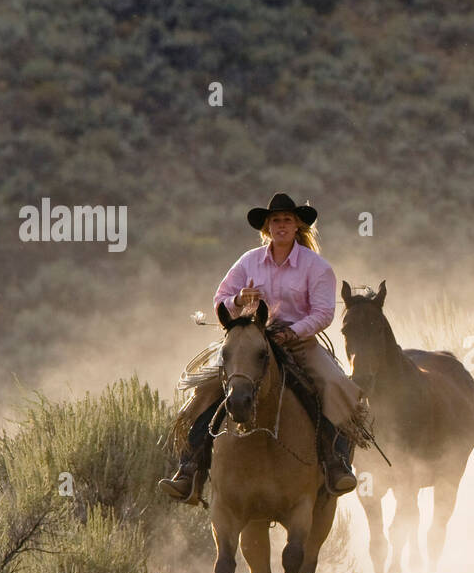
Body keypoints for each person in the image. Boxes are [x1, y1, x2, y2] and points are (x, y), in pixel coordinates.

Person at [158, 193, 370, 503]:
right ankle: (189, 468)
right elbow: (220, 301)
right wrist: (239, 301)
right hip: (251, 340)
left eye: (286, 219)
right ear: (267, 227)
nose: (281, 225)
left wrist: (292, 333)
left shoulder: (316, 266)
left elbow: (323, 313)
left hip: (298, 343)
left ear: (297, 225)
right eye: (275, 220)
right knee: (205, 390)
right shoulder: (248, 261)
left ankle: (336, 462)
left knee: (334, 384)